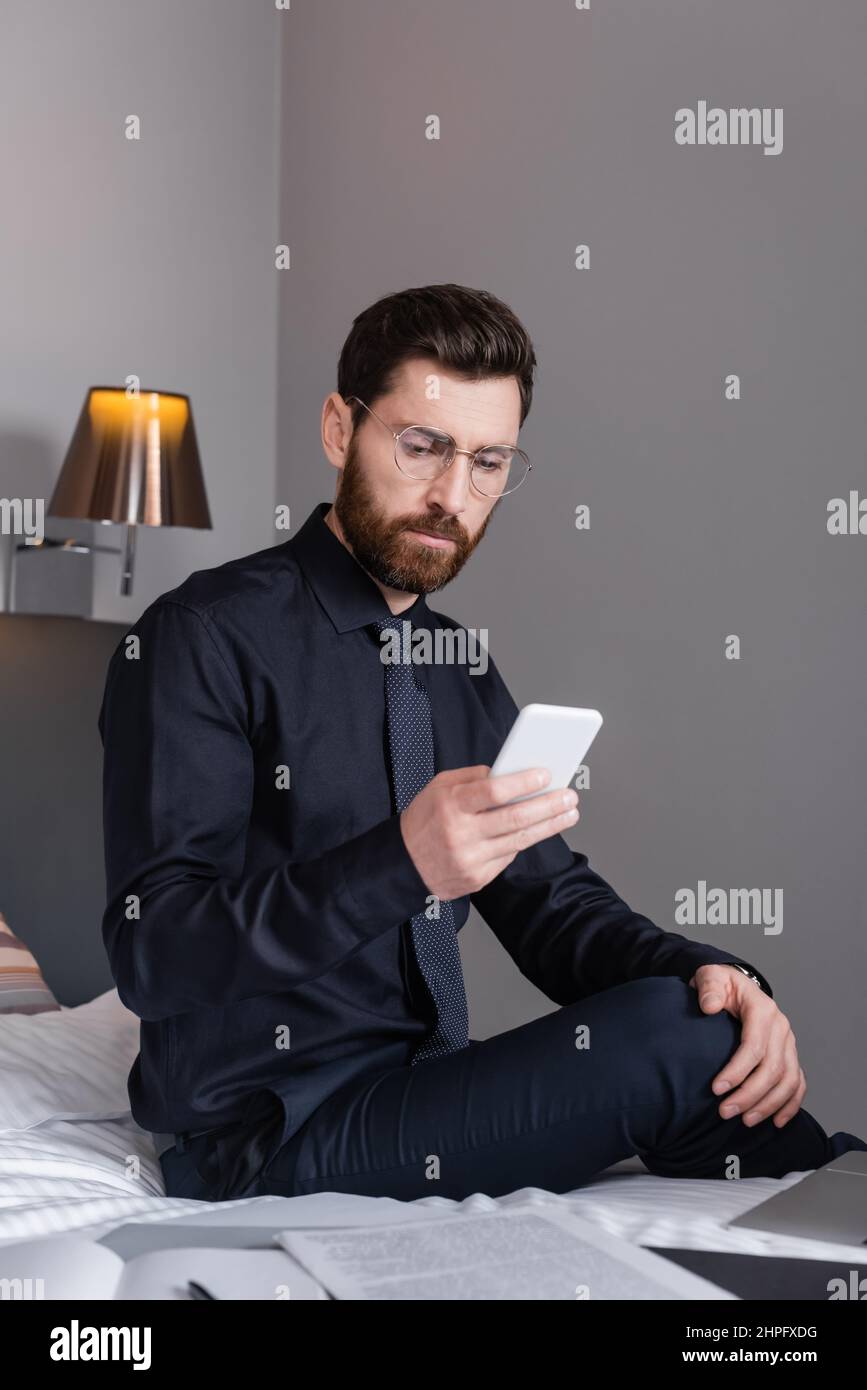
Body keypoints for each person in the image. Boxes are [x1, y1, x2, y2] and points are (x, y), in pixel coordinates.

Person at [98, 283, 865, 1204]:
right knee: (676, 1040)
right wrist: (401, 862)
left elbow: (551, 905)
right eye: (421, 447)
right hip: (266, 1130)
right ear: (342, 430)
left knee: (703, 1016)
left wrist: (713, 975)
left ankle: (827, 1205)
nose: (450, 496)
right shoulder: (200, 636)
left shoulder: (457, 665)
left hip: (419, 1093)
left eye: (487, 462)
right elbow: (155, 956)